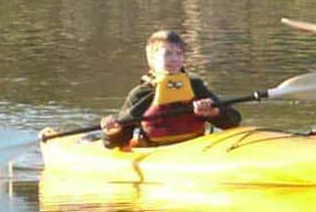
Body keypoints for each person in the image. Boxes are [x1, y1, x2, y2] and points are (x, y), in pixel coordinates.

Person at [101, 30, 240, 148]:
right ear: (152, 60)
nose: (174, 59)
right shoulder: (141, 94)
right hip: (157, 151)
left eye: (179, 54)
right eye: (167, 54)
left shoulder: (195, 86)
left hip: (196, 147)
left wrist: (214, 112)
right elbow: (116, 142)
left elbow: (234, 120)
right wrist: (113, 131)